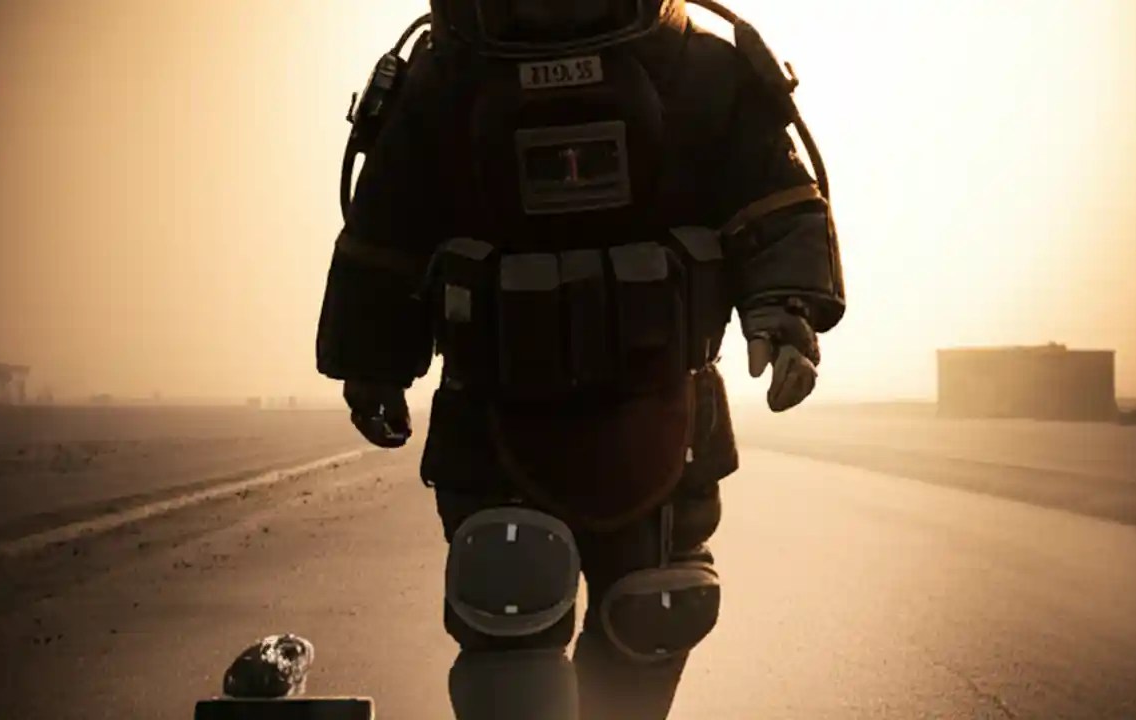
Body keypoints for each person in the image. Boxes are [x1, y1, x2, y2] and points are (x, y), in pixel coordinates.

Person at [316, 1, 845, 717]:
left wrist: (785, 307)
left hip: (658, 410)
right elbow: (387, 229)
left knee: (654, 609)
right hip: (499, 408)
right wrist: (371, 359)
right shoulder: (445, 78)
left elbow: (771, 196)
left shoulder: (701, 69)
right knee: (509, 598)